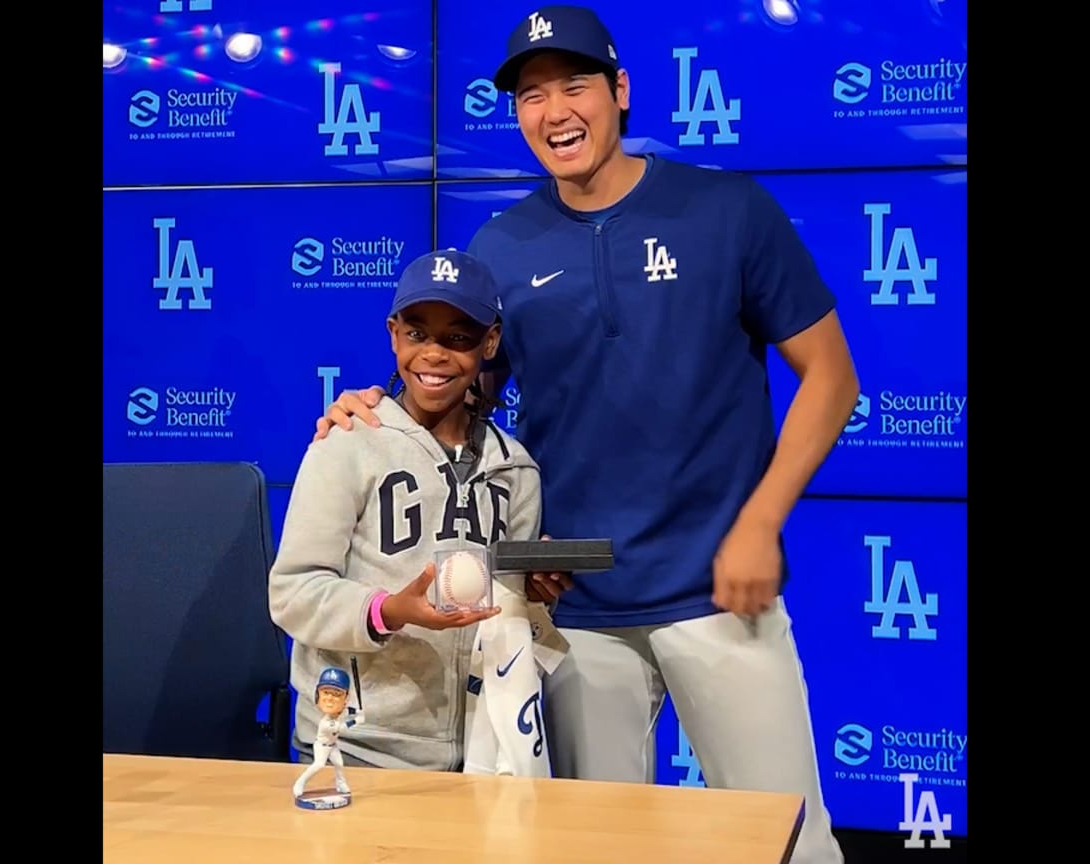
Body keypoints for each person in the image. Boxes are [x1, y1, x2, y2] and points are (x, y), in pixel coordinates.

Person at [312, 6, 857, 862]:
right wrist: (369, 410)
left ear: (620, 92)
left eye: (574, 85)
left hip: (719, 590)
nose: (554, 110)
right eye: (531, 95)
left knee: (788, 845)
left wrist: (759, 524)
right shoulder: (503, 241)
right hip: (571, 607)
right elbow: (456, 394)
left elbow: (831, 376)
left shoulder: (727, 210)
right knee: (596, 848)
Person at [270, 248, 545, 775]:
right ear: (394, 333)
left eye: (458, 338)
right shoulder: (348, 442)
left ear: (490, 343)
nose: (434, 355)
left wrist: (538, 592)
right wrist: (388, 610)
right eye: (418, 334)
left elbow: (512, 623)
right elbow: (293, 591)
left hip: (484, 754)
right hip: (353, 749)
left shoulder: (517, 470)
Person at [292, 666, 364, 800]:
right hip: (322, 746)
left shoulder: (339, 711)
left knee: (339, 764)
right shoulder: (327, 723)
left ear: (345, 698)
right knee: (319, 765)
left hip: (332, 746)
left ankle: (341, 784)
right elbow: (341, 728)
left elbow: (347, 710)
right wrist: (357, 721)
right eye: (326, 692)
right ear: (318, 695)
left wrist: (358, 712)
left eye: (336, 694)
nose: (330, 698)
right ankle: (299, 783)